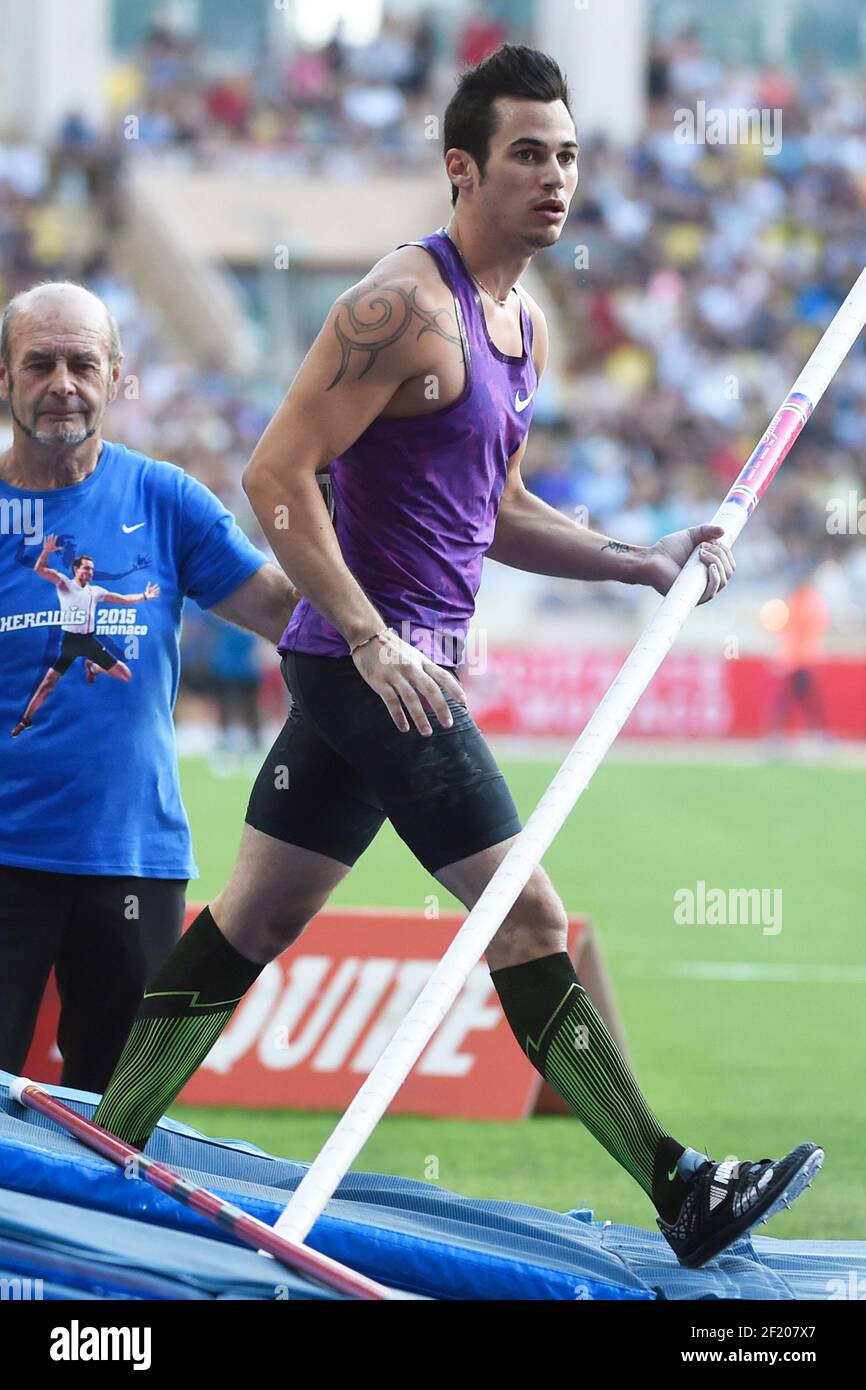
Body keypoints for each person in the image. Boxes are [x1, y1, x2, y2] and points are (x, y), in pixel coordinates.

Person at [94, 46, 821, 1268]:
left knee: (256, 916)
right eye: (527, 153)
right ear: (459, 168)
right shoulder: (397, 307)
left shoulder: (518, 324)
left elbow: (498, 509)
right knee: (526, 915)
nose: (554, 178)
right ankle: (678, 1183)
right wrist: (373, 641)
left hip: (379, 667)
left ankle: (113, 1138)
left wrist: (637, 556)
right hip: (381, 671)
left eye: (568, 154)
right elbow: (274, 476)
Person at [0, 280, 299, 1091]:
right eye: (39, 364)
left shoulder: (161, 498)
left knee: (121, 1119)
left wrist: (386, 603)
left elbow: (280, 609)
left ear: (114, 373)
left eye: (82, 363)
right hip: (6, 856)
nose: (62, 383)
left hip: (133, 860)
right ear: (5, 377)